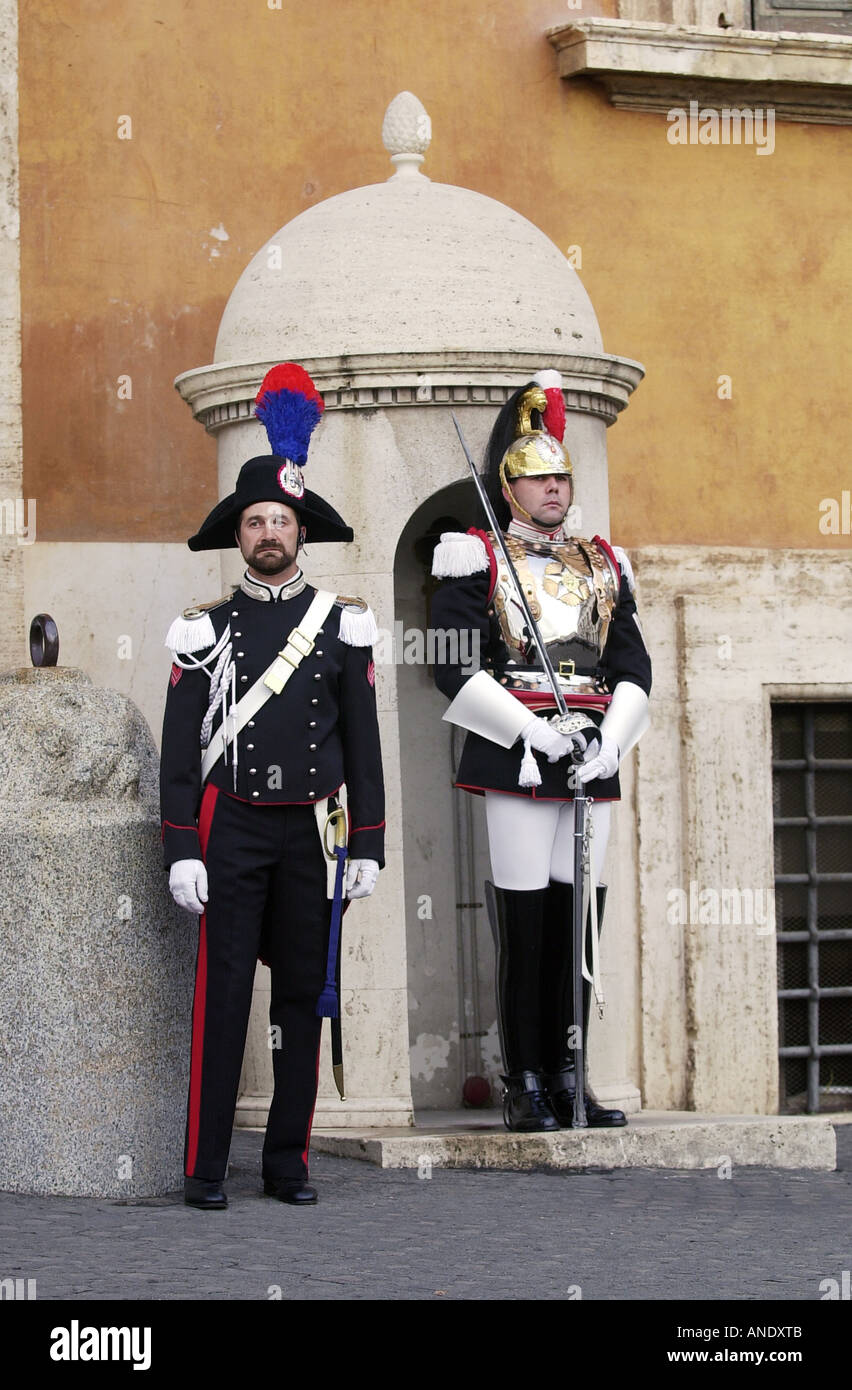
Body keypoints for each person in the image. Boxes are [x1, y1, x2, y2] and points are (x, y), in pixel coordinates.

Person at [160, 363, 384, 1208]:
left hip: (308, 833)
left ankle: (286, 1163)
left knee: (300, 1000)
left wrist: (369, 843)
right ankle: (206, 1167)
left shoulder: (342, 623)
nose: (266, 534)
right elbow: (179, 757)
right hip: (232, 832)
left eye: (278, 521)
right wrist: (181, 846)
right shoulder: (203, 631)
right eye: (253, 521)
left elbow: (364, 747)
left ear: (299, 532)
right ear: (238, 534)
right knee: (223, 1003)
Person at [430, 370, 651, 1132]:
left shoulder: (602, 563)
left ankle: (570, 1072)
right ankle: (523, 1075)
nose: (554, 488)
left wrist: (609, 741)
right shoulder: (474, 557)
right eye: (537, 477)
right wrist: (530, 729)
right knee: (525, 927)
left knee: (577, 923)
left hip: (590, 756)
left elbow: (634, 668)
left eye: (561, 475)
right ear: (510, 485)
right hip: (519, 755)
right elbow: (451, 667)